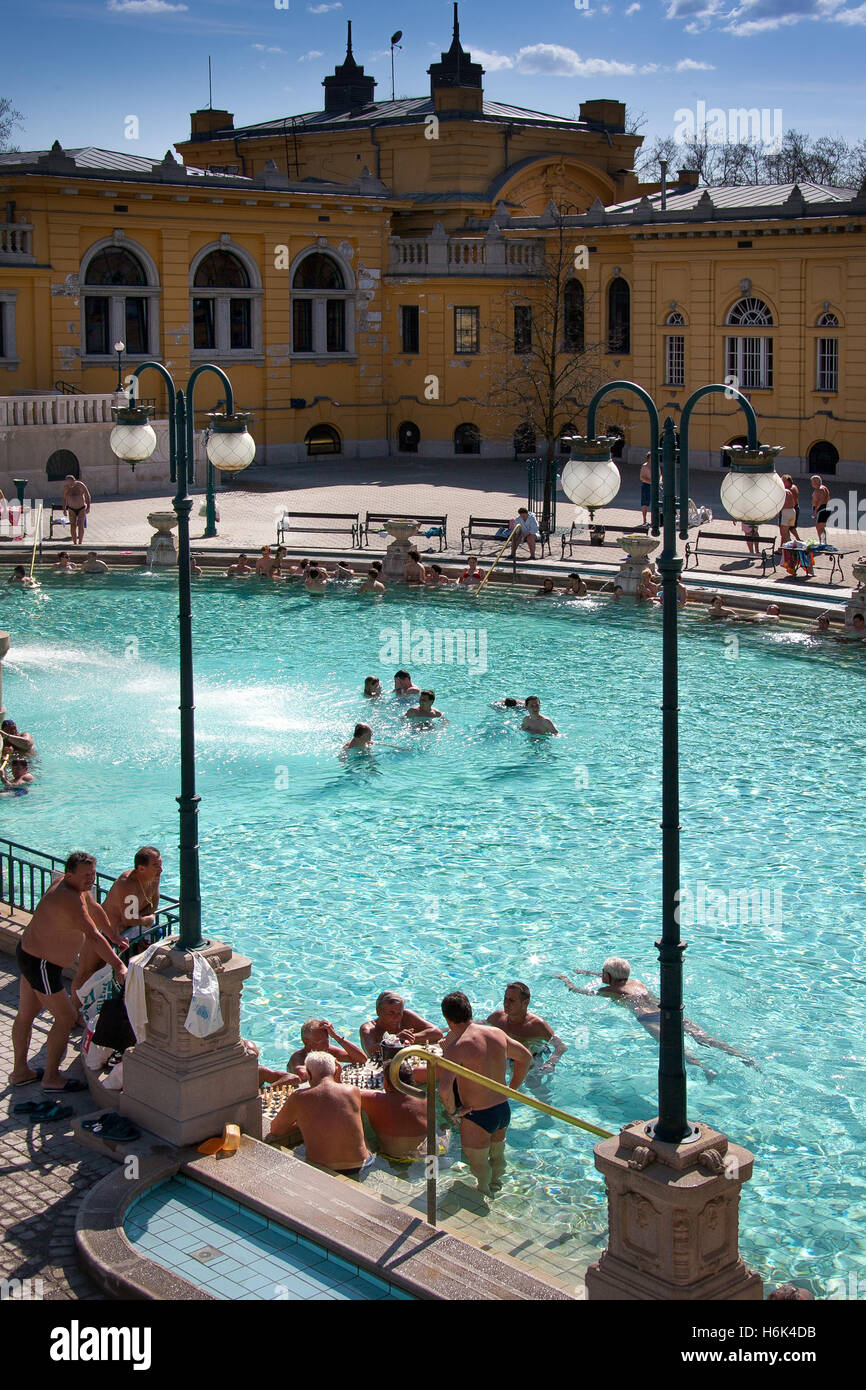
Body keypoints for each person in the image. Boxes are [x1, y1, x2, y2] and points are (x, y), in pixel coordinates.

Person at [10, 851, 127, 1091]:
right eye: (86, 875)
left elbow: (95, 909)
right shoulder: (68, 898)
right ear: (70, 873)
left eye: (93, 874)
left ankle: (20, 1072)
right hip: (42, 964)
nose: (90, 880)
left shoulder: (73, 888)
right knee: (66, 1018)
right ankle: (51, 1077)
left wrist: (114, 935)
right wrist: (118, 965)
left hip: (30, 955)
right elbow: (93, 936)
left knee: (26, 1014)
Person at [556, 957, 757, 1076]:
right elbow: (616, 976)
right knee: (704, 1038)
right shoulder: (636, 982)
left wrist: (566, 981)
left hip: (647, 1019)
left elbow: (581, 992)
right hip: (667, 1011)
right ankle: (742, 1056)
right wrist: (588, 972)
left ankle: (704, 1068)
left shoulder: (609, 990)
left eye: (601, 973)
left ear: (607, 977)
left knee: (673, 1049)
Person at [439, 991, 531, 1196]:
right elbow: (525, 1057)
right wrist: (511, 1090)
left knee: (479, 1164)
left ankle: (483, 1191)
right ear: (470, 1011)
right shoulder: (495, 1033)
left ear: (447, 1019)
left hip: (477, 1115)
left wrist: (454, 1112)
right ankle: (497, 1184)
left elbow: (444, 1089)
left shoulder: (457, 1047)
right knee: (497, 1155)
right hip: (502, 1109)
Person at [71, 846, 162, 1007]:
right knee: (87, 971)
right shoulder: (128, 884)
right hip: (104, 930)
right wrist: (146, 918)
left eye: (160, 864)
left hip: (126, 934)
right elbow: (130, 919)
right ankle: (73, 1012)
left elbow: (152, 905)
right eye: (156, 865)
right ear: (141, 868)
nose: (160, 869)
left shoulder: (153, 877)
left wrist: (144, 918)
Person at [267, 1051, 373, 1176]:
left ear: (309, 1074)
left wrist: (302, 1121)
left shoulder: (299, 1097)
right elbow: (335, 1108)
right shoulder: (352, 1091)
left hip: (325, 1169)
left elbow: (276, 1130)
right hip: (363, 1164)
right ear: (335, 1071)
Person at [486, 982, 567, 1075]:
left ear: (525, 1003)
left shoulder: (537, 1026)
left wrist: (551, 1063)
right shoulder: (497, 1018)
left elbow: (561, 1047)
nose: (506, 1004)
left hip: (531, 1063)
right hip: (505, 1060)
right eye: (505, 998)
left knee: (534, 1086)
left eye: (511, 1000)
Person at [360, 1058, 428, 1161]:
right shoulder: (424, 1099)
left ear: (386, 1083)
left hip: (391, 1158)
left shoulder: (376, 1100)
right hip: (423, 1156)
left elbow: (346, 1094)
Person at [360, 990, 443, 1057]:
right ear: (379, 1011)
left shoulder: (406, 1016)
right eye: (391, 1013)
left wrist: (407, 1039)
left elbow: (437, 1033)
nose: (396, 1018)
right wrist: (396, 1040)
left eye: (399, 1013)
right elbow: (370, 1051)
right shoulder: (369, 1028)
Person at [286, 1018, 367, 1077]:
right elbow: (302, 1074)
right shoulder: (298, 1057)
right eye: (320, 1042)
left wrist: (336, 1036)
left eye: (327, 1041)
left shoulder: (328, 1050)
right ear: (306, 1041)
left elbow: (362, 1059)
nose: (325, 1046)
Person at [61, 475, 91, 547]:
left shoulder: (80, 485)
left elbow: (87, 495)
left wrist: (88, 507)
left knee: (80, 524)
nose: (70, 484)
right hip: (71, 508)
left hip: (81, 508)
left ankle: (80, 542)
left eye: (71, 483)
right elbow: (64, 498)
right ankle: (74, 543)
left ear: (74, 481)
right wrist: (64, 509)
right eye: (68, 483)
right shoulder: (66, 488)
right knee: (73, 525)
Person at [811, 475, 831, 543]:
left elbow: (821, 501)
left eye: (812, 481)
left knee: (819, 527)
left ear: (816, 482)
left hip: (822, 509)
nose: (811, 483)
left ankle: (822, 543)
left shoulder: (819, 489)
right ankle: (823, 542)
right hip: (825, 508)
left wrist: (816, 510)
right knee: (821, 527)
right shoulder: (824, 488)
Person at [779, 477, 797, 548]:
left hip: (786, 512)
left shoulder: (784, 491)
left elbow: (781, 504)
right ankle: (785, 548)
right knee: (787, 531)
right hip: (792, 511)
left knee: (784, 533)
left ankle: (791, 547)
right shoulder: (790, 491)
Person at [640, 452, 652, 525]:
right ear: (648, 458)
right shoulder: (644, 466)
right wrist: (651, 481)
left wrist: (659, 481)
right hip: (646, 486)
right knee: (645, 503)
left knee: (655, 503)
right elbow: (642, 477)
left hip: (655, 486)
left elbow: (660, 475)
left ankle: (654, 520)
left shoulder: (656, 465)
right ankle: (644, 519)